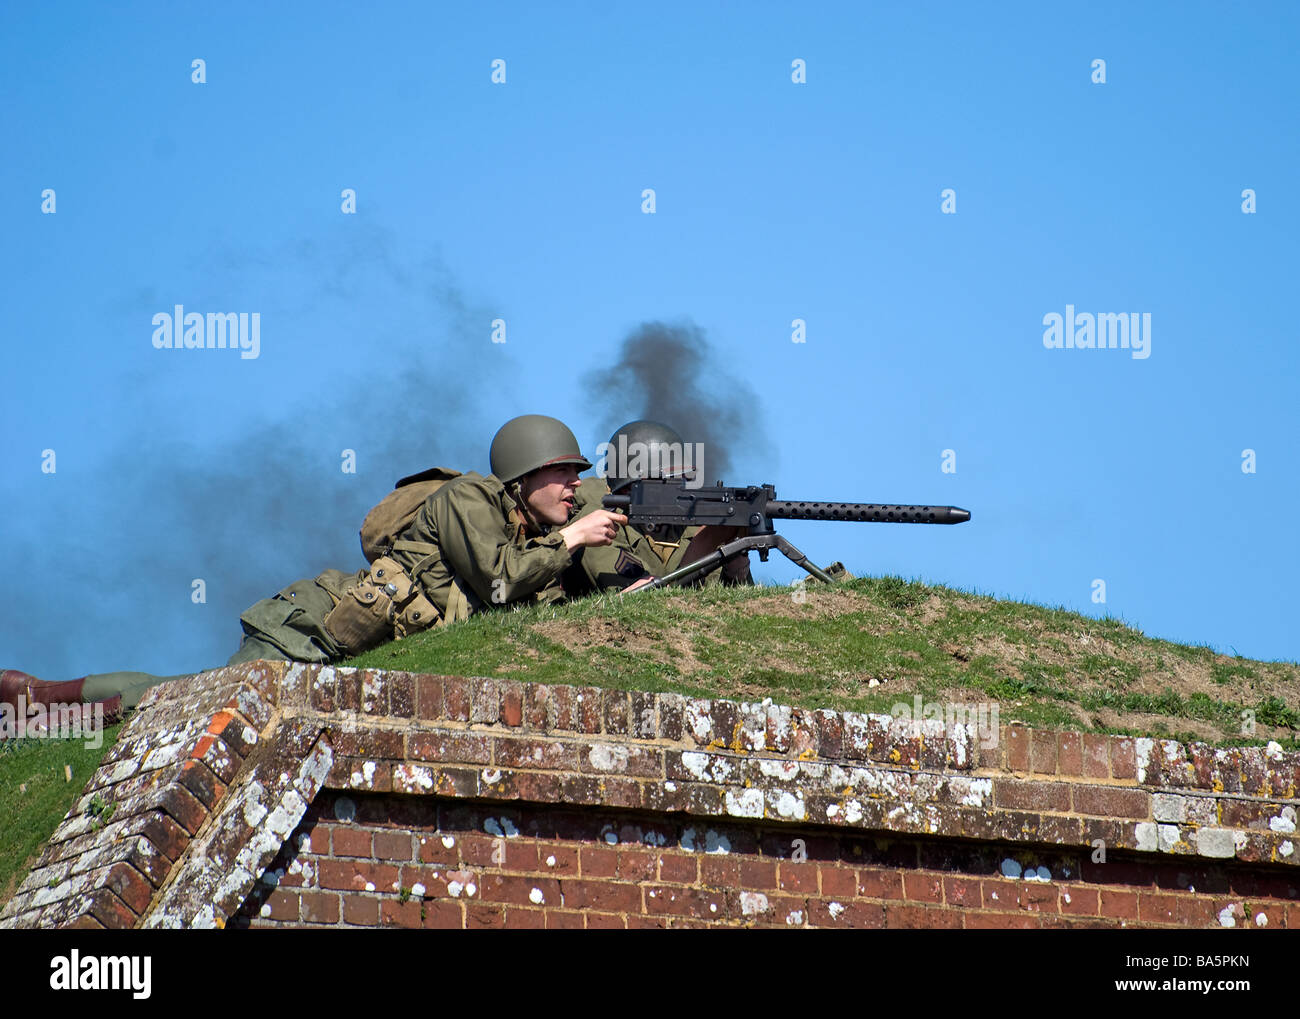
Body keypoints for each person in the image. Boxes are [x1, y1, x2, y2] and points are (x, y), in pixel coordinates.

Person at [2, 414, 628, 715]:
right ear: (523, 475)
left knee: (193, 701)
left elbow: (533, 604)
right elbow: (499, 585)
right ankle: (40, 697)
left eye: (579, 475)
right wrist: (572, 539)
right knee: (191, 701)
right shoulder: (469, 498)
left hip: (337, 652)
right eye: (563, 473)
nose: (575, 486)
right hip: (310, 628)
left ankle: (57, 710)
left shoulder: (527, 535)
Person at [564, 420, 752, 594]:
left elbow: (733, 607)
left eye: (682, 478)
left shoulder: (692, 527)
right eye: (666, 480)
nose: (680, 486)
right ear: (629, 488)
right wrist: (704, 544)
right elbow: (637, 599)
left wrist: (736, 561)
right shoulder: (600, 523)